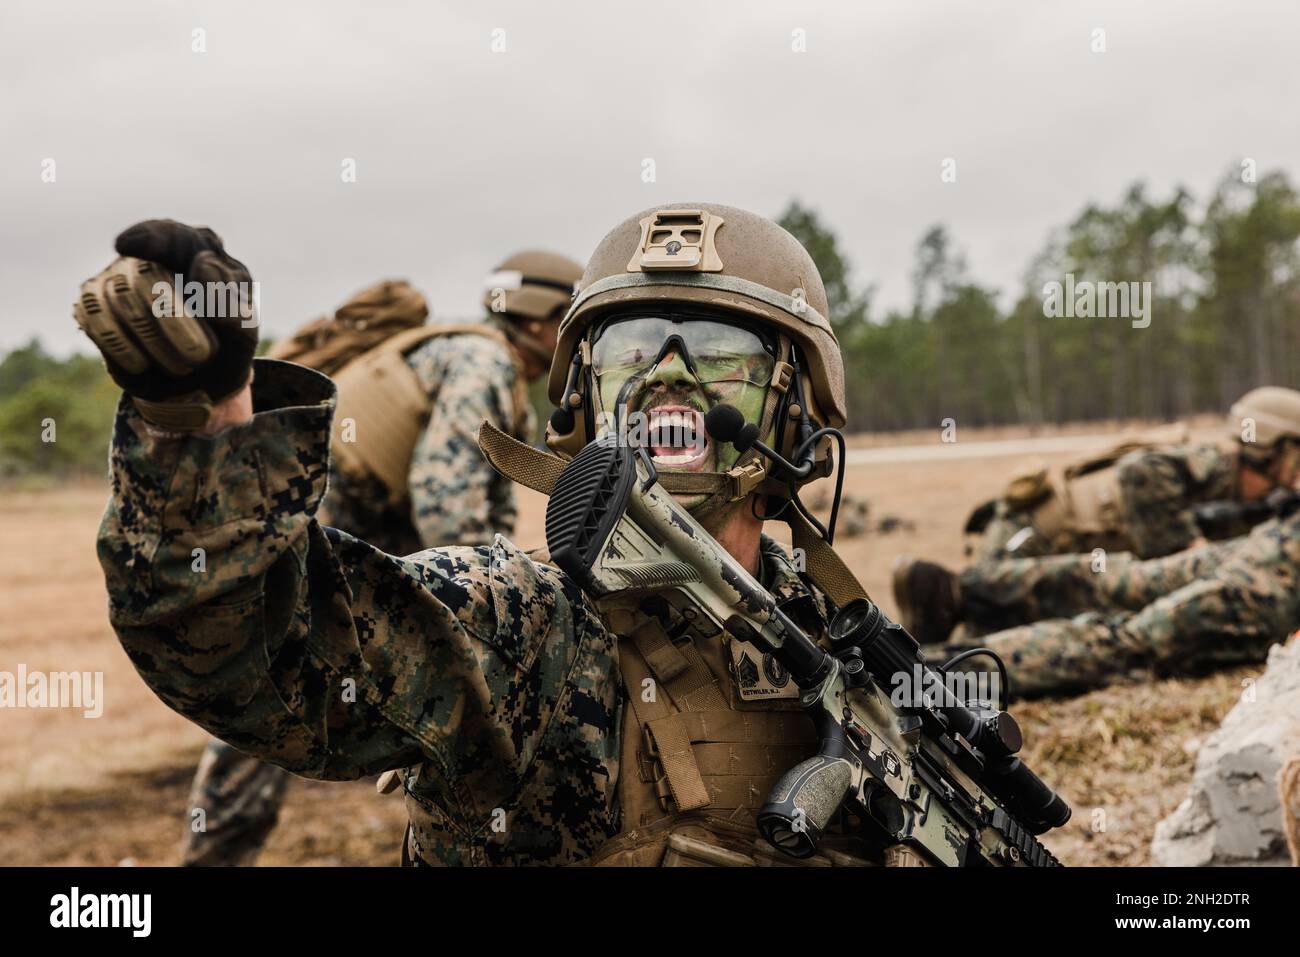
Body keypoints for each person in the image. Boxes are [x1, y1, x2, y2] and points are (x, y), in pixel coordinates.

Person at [76, 206, 878, 866]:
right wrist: (202, 428)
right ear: (586, 405)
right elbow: (264, 649)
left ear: (797, 402)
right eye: (629, 351)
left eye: (717, 351)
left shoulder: (843, 642)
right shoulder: (527, 625)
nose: (668, 377)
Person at [173, 255, 581, 866]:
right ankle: (215, 855)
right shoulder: (483, 361)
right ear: (541, 319)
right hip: (325, 514)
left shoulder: (466, 353)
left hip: (343, 515)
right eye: (569, 323)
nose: (575, 345)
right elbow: (448, 501)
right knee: (280, 689)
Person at [893, 499, 1300, 699]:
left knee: (1126, 583)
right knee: (1128, 640)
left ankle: (952, 599)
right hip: (1280, 576)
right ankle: (927, 674)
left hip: (1277, 542)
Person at [965, 386, 1300, 563]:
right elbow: (1141, 472)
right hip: (1028, 539)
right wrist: (1190, 551)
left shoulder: (1244, 482)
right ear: (1276, 446)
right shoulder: (1216, 461)